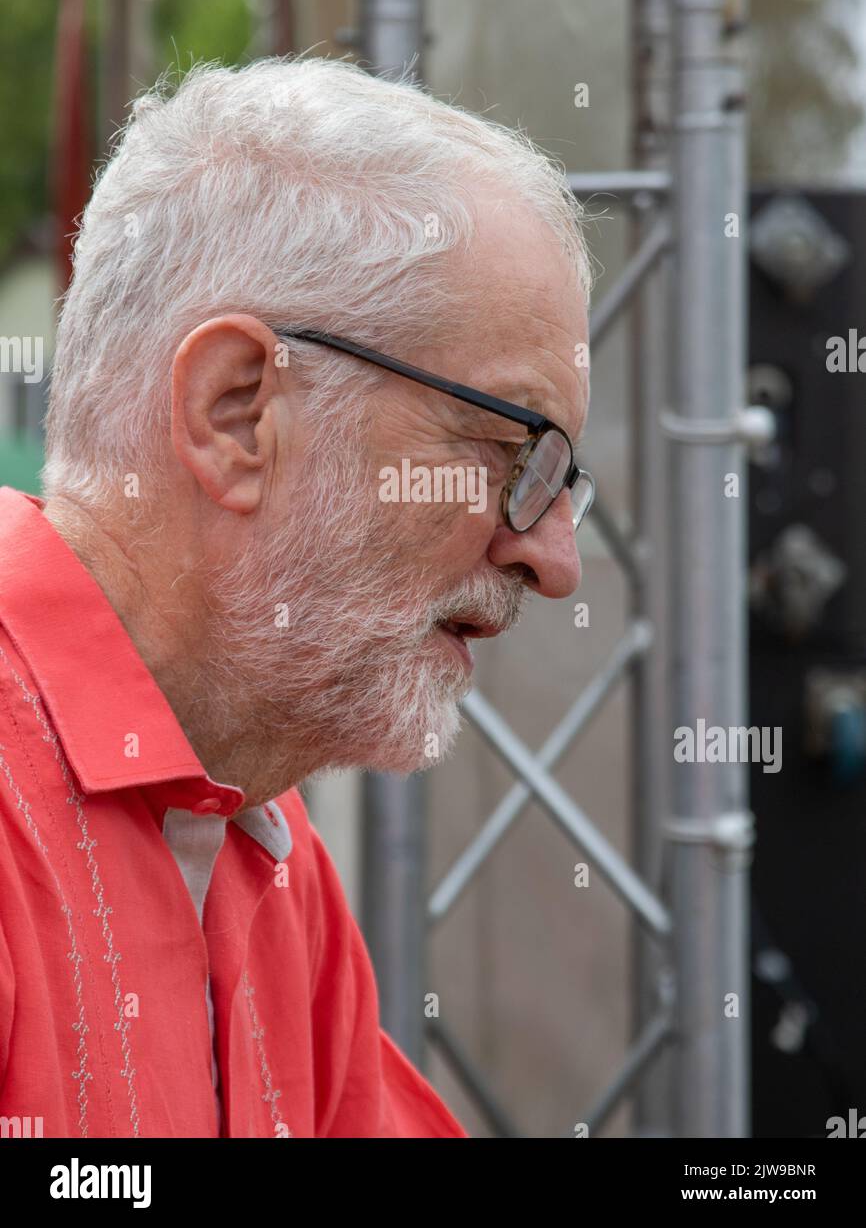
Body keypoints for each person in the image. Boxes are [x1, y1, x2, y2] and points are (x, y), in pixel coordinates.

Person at [0, 56, 592, 1138]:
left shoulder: (257, 833)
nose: (552, 558)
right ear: (235, 413)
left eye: (559, 482)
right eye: (511, 448)